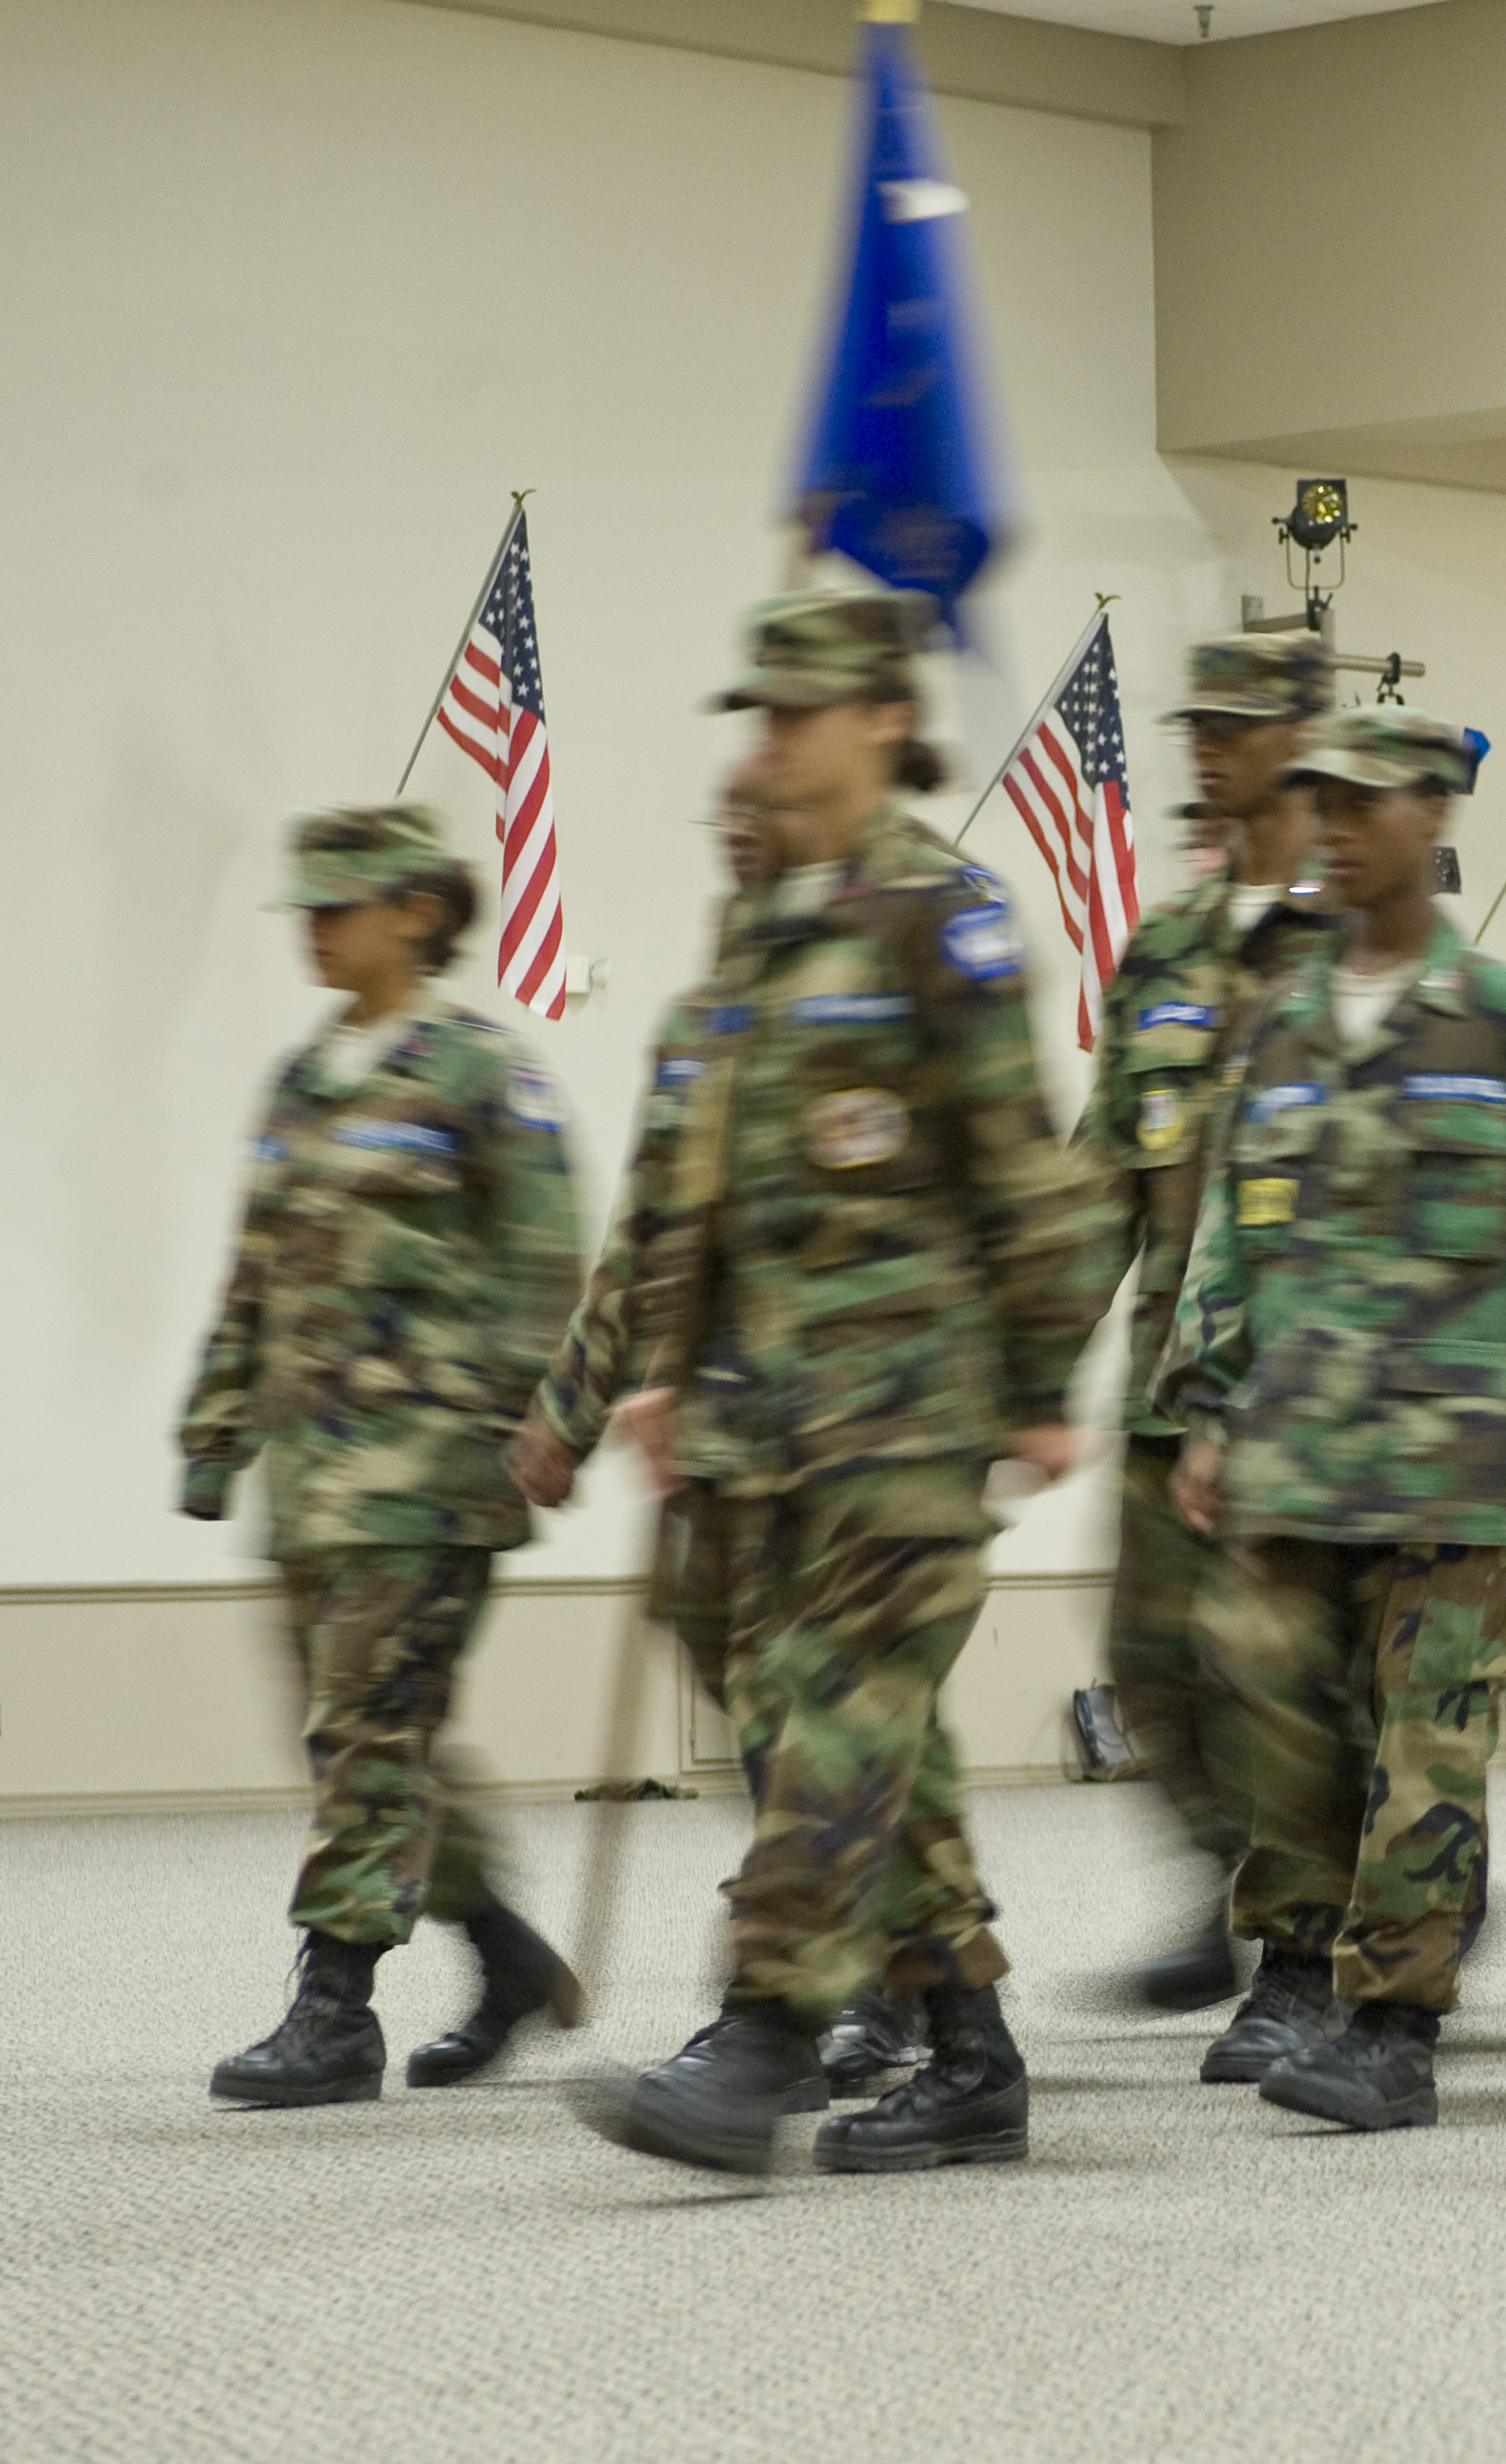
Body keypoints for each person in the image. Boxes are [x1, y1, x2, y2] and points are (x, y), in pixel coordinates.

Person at [598, 588, 1114, 2176]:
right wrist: (670, 1372)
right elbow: (711, 1192)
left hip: (908, 1413)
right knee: (854, 1730)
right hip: (773, 1422)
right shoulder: (764, 929)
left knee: (833, 1719)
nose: (773, 741)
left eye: (800, 710)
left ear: (884, 719)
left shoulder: (937, 915)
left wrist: (1035, 1382)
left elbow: (1023, 1171)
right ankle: (969, 2051)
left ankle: (760, 2038)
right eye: (759, 714)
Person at [1157, 705, 1506, 2131]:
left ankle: (1393, 2020)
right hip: (1300, 1443)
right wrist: (1203, 1402)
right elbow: (1233, 1233)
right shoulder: (1288, 1024)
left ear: (1432, 816)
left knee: (1428, 1731)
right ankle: (1300, 1956)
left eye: (1364, 802)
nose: (1333, 825)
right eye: (1318, 802)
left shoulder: (1496, 1016)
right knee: (1270, 1700)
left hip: (1463, 1447)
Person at [507, 771, 934, 2101]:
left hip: (870, 1425)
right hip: (735, 1437)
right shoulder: (704, 1021)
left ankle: (851, 1996)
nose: (742, 827)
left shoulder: (896, 975)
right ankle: (875, 1981)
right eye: (725, 814)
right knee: (774, 1717)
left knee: (835, 1720)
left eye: (768, 806)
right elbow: (652, 1242)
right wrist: (571, 1408)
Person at [184, 802, 584, 2105]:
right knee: (367, 1735)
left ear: (416, 909)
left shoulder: (481, 1071)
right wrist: (215, 1423)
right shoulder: (303, 1080)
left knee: (365, 1728)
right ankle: (509, 1956)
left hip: (429, 1474)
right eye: (305, 904)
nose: (315, 925)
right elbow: (254, 1272)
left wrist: (525, 1425)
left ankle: (334, 2003)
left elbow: (545, 1264)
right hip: (310, 1474)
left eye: (339, 901)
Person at [1079, 630, 1339, 2030]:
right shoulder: (1163, 949)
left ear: (1304, 738)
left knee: (1275, 1665)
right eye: (1201, 721)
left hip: (1310, 1385)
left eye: (1235, 723)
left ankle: (1320, 1928)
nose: (1207, 743)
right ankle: (1226, 1879)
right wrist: (1022, 1365)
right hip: (1168, 1379)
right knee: (1151, 1664)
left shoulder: (1354, 937)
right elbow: (1104, 1165)